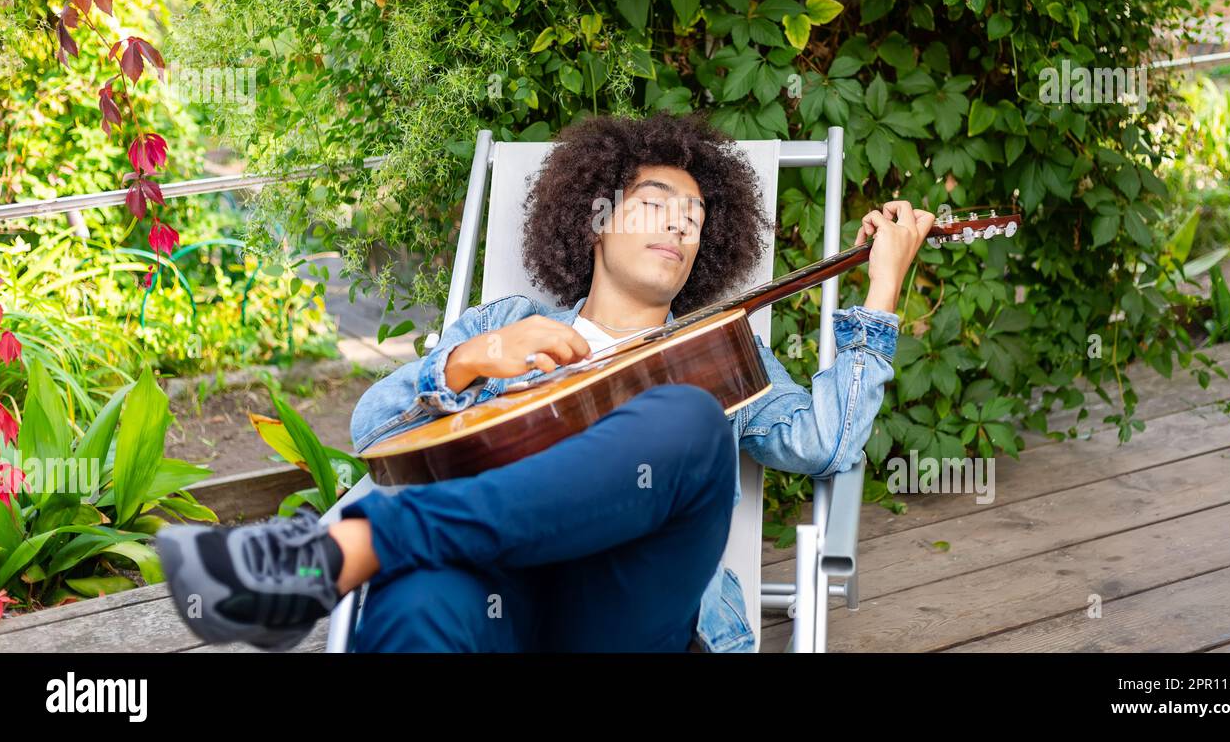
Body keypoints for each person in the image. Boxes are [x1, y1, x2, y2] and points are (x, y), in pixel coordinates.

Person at [156, 112, 934, 651]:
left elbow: (826, 444)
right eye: (655, 204)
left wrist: (883, 286)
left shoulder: (715, 357)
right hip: (502, 603)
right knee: (422, 602)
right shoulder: (507, 324)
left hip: (627, 622)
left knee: (688, 421)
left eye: (694, 219)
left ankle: (353, 546)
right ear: (596, 219)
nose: (678, 227)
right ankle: (371, 552)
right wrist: (466, 362)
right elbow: (372, 431)